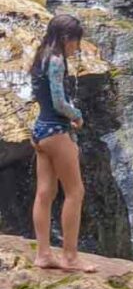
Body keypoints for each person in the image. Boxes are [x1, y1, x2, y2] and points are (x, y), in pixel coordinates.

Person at [30, 15, 95, 273]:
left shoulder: (41, 56)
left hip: (39, 132)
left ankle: (44, 254)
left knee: (45, 193)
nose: (76, 48)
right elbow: (58, 102)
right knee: (75, 192)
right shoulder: (57, 61)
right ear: (67, 38)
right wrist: (76, 115)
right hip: (57, 132)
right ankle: (70, 257)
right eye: (76, 42)